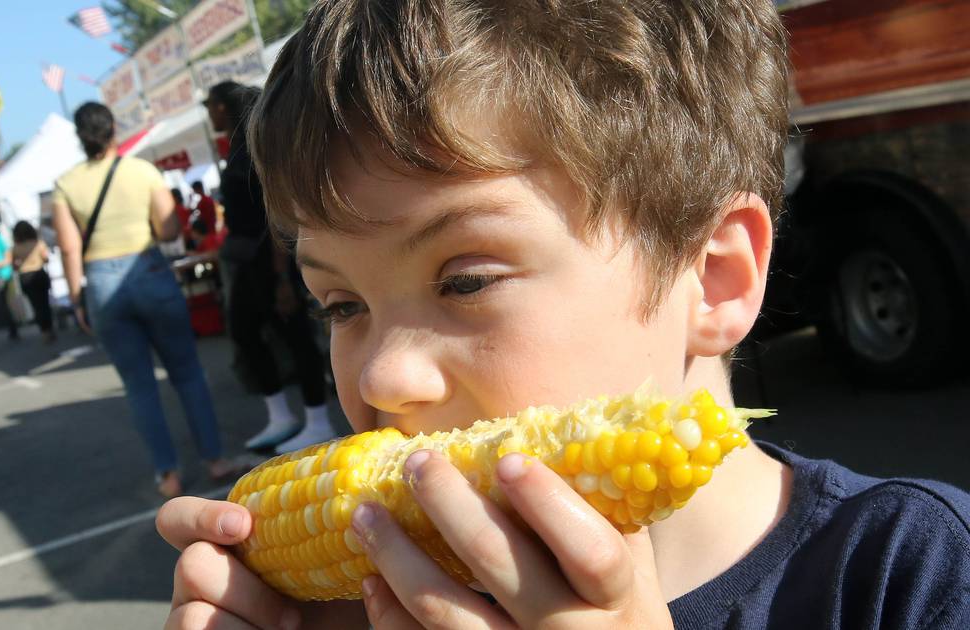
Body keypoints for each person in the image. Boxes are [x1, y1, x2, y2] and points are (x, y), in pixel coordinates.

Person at [157, 2, 970, 629]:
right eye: (340, 304)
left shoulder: (913, 576)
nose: (379, 376)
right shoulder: (381, 608)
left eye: (465, 281)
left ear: (714, 279)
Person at [51, 101, 244, 499]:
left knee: (139, 387)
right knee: (188, 373)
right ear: (112, 130)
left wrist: (76, 298)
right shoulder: (141, 171)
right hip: (150, 271)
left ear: (79, 137)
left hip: (102, 281)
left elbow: (70, 250)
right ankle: (215, 460)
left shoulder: (66, 185)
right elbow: (170, 226)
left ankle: (168, 475)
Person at [204, 81, 337, 455]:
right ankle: (281, 415)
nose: (208, 113)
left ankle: (318, 420)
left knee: (295, 335)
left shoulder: (258, 146)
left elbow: (274, 215)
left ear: (223, 107)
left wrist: (281, 276)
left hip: (271, 258)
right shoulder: (237, 145)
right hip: (248, 261)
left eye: (210, 105)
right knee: (246, 334)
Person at [11, 220, 56, 344]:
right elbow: (46, 258)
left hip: (25, 276)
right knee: (45, 304)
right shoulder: (38, 243)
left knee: (36, 305)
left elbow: (14, 266)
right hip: (39, 274)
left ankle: (44, 331)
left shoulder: (16, 247)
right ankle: (49, 329)